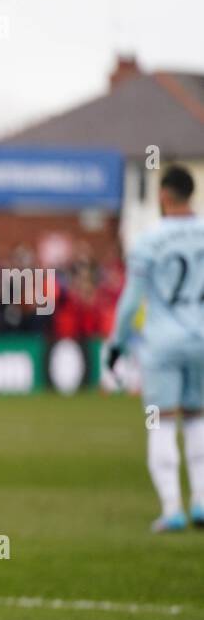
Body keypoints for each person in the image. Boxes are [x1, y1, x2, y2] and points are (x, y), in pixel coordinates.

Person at [106, 165, 204, 532]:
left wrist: (116, 344)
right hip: (202, 339)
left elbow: (131, 302)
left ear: (164, 195)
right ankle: (201, 503)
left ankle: (172, 508)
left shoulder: (148, 241)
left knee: (160, 421)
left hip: (163, 342)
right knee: (197, 418)